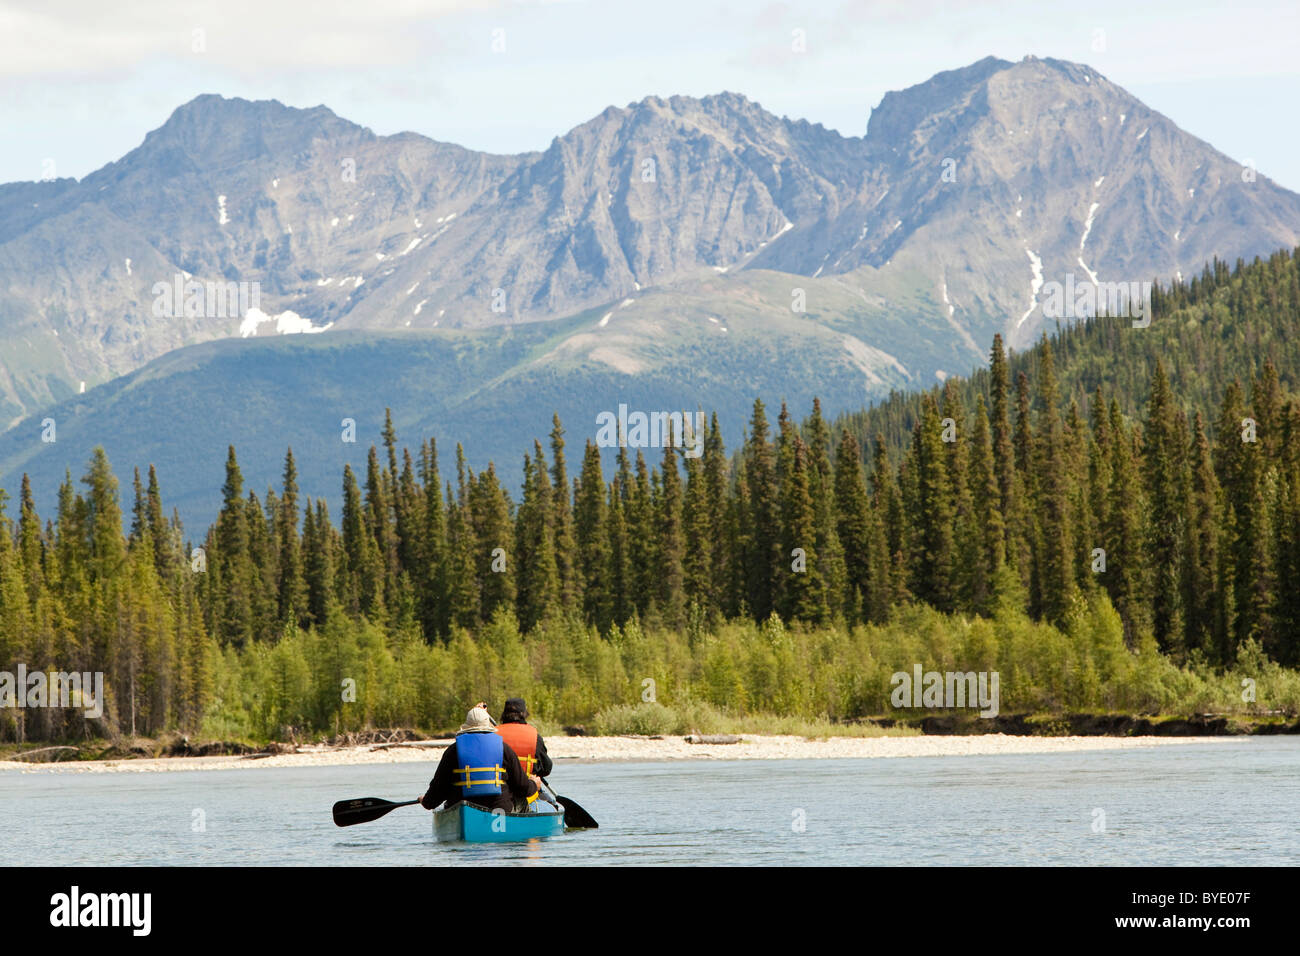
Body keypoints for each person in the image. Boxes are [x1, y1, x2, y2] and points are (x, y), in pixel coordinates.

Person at [418, 703, 541, 814]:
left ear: (466, 728)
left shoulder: (452, 751)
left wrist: (426, 801)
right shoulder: (504, 749)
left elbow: (437, 791)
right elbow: (522, 788)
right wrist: (534, 784)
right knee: (523, 802)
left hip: (462, 812)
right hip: (498, 811)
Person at [495, 697, 553, 779]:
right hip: (527, 788)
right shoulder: (535, 736)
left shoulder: (493, 734)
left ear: (503, 714)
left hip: (501, 787)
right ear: (524, 714)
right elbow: (546, 768)